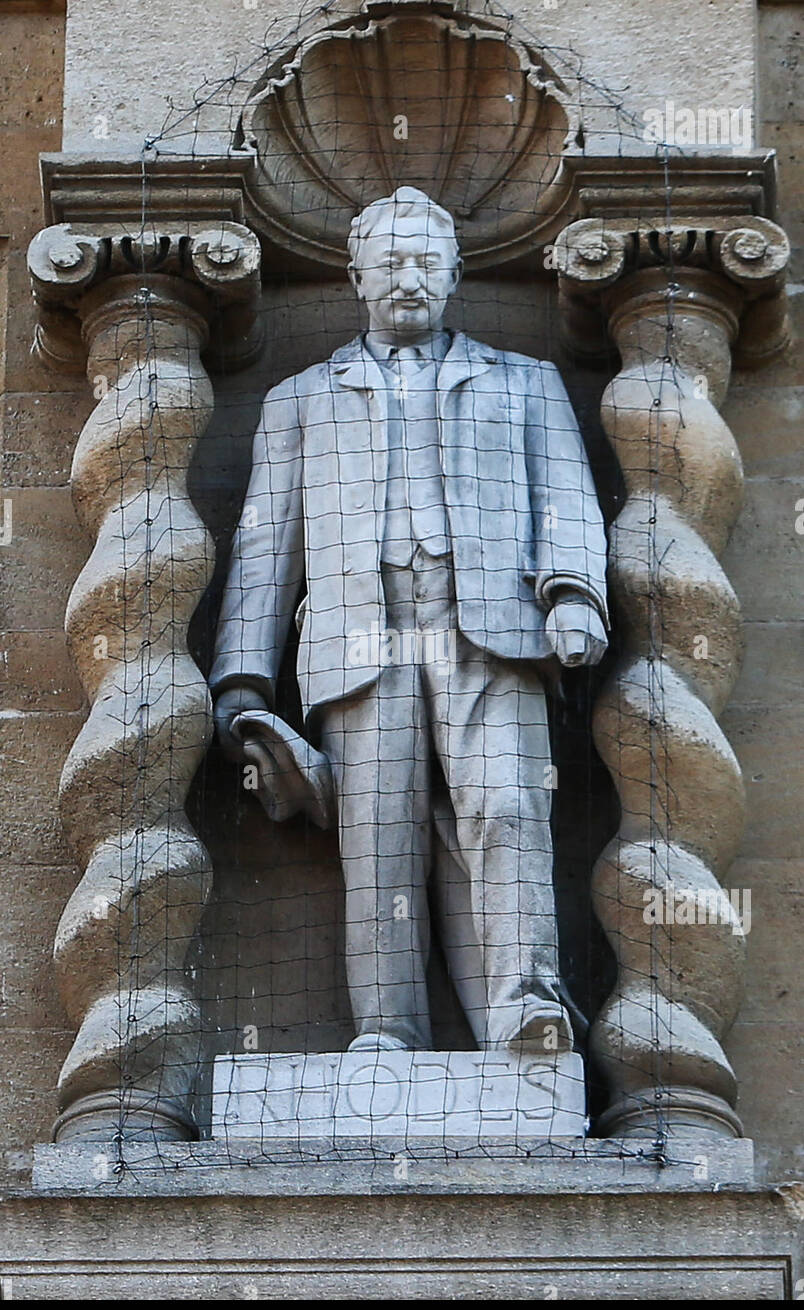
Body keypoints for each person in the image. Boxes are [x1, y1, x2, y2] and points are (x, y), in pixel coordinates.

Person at [211, 186, 608, 1054]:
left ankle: (527, 1006)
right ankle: (387, 1030)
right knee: (380, 842)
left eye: (428, 260)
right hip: (359, 633)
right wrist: (241, 682)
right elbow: (265, 550)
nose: (410, 278)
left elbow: (570, 499)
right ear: (355, 274)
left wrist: (575, 591)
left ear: (458, 272)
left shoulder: (527, 381)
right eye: (391, 261)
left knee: (508, 806)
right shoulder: (299, 399)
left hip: (493, 630)